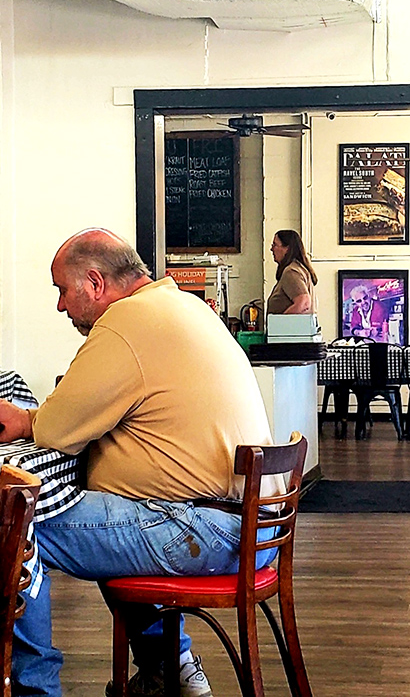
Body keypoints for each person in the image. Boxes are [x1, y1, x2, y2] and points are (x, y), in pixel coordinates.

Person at [0, 228, 282, 697]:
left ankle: (35, 690)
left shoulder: (126, 323)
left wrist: (27, 420)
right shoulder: (183, 305)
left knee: (15, 525)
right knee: (103, 534)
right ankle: (172, 672)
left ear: (94, 283)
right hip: (255, 526)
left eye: (62, 291)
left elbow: (61, 427)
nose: (60, 306)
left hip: (209, 530)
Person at [266, 229, 317, 315]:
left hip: (291, 328)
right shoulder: (299, 269)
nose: (271, 249)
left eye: (275, 245)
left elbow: (304, 302)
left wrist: (279, 322)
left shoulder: (291, 272)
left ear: (287, 249)